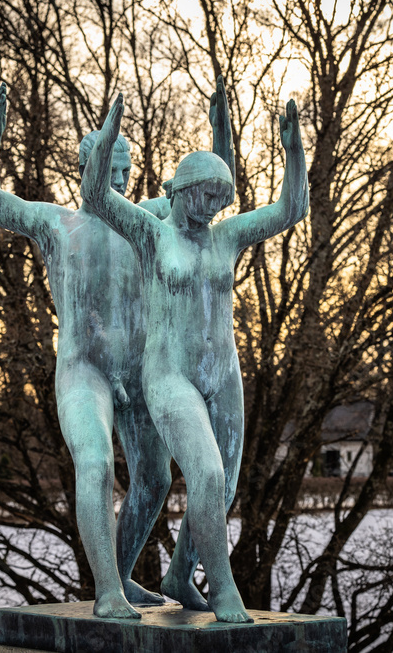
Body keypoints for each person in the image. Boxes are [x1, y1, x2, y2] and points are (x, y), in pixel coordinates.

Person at [0, 81, 233, 618]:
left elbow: (208, 196)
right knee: (94, 462)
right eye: (110, 167)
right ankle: (107, 591)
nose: (120, 180)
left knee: (155, 479)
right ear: (86, 168)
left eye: (126, 171)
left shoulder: (147, 219)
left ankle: (124, 575)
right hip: (84, 370)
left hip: (139, 373)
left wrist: (219, 133)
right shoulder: (56, 223)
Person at [82, 93, 308, 623]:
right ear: (181, 191)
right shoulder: (151, 232)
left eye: (219, 199)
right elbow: (96, 195)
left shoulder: (227, 236)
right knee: (204, 472)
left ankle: (179, 575)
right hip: (170, 376)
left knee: (223, 485)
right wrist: (107, 140)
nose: (210, 208)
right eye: (204, 196)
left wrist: (294, 152)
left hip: (223, 375)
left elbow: (290, 209)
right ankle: (224, 590)